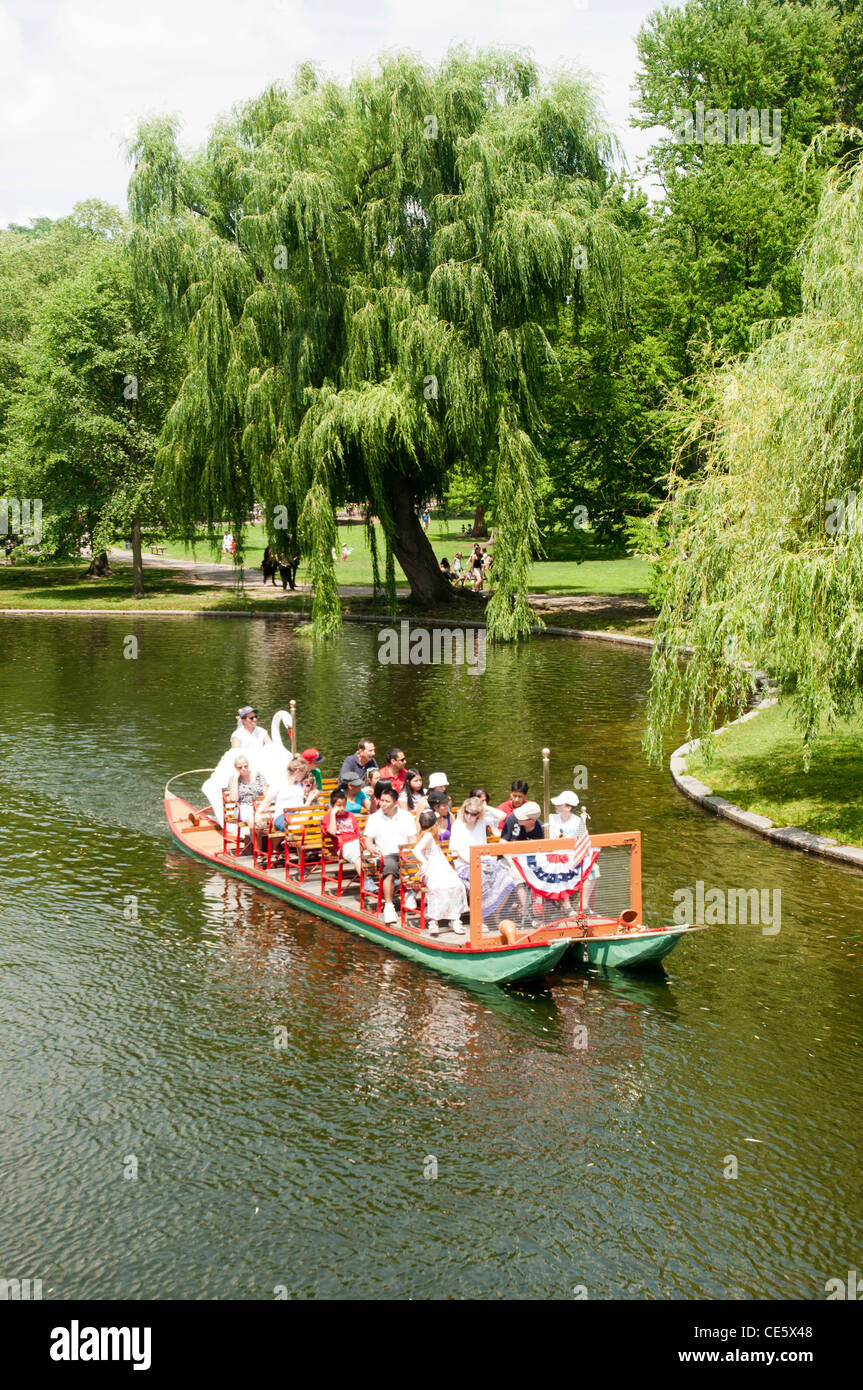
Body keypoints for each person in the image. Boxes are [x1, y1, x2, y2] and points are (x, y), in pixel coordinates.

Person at [450, 797, 514, 915]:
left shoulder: (482, 821)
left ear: (479, 814)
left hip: (484, 860)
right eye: (467, 812)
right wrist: (475, 864)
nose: (469, 816)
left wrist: (484, 806)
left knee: (507, 877)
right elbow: (459, 851)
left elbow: (502, 815)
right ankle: (482, 916)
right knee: (481, 879)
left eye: (473, 814)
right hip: (465, 864)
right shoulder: (458, 825)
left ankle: (495, 912)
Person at [364, 787, 418, 924]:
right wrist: (372, 848)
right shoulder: (374, 818)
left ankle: (411, 893)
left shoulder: (406, 816)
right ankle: (389, 905)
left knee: (419, 863)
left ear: (395, 803)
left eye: (387, 801)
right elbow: (368, 840)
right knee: (389, 868)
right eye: (381, 800)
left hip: (404, 852)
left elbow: (413, 838)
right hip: (386, 853)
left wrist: (416, 851)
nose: (383, 804)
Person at [412, 809, 468, 936]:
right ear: (434, 825)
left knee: (457, 885)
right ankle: (434, 920)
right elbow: (416, 851)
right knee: (438, 887)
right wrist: (425, 863)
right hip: (433, 870)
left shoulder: (430, 836)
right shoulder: (428, 836)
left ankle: (454, 918)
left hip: (440, 868)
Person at [549, 791, 600, 913]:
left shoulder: (578, 821)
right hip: (557, 856)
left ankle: (583, 905)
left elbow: (585, 841)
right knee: (561, 866)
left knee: (594, 869)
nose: (556, 806)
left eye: (559, 804)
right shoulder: (551, 818)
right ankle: (567, 905)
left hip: (574, 856)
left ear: (568, 807)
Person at [501, 801, 546, 926]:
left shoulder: (539, 828)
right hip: (509, 858)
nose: (518, 818)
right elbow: (502, 843)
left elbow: (540, 852)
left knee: (540, 874)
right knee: (518, 875)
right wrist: (512, 864)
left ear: (532, 820)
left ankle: (539, 911)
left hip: (529, 860)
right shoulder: (511, 820)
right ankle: (528, 913)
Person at [261, 756, 319, 830]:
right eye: (304, 773)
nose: (305, 775)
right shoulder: (279, 783)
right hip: (282, 816)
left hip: (298, 815)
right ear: (298, 771)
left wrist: (315, 792)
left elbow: (312, 788)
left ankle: (296, 829)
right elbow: (266, 801)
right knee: (295, 826)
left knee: (308, 814)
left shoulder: (300, 783)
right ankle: (295, 829)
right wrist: (258, 815)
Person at [228, 754, 270, 853]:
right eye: (240, 767)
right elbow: (234, 799)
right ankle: (258, 850)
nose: (243, 769)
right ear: (236, 768)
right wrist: (235, 779)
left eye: (245, 766)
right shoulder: (234, 779)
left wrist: (264, 808)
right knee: (252, 821)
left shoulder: (258, 776)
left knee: (265, 820)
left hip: (259, 804)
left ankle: (271, 848)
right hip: (244, 806)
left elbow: (266, 794)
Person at [324, 789, 362, 869]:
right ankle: (366, 880)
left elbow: (358, 832)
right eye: (339, 805)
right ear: (332, 805)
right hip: (343, 846)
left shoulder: (350, 815)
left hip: (356, 842)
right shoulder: (328, 817)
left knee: (374, 855)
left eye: (344, 805)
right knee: (357, 858)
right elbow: (332, 832)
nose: (342, 808)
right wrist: (333, 814)